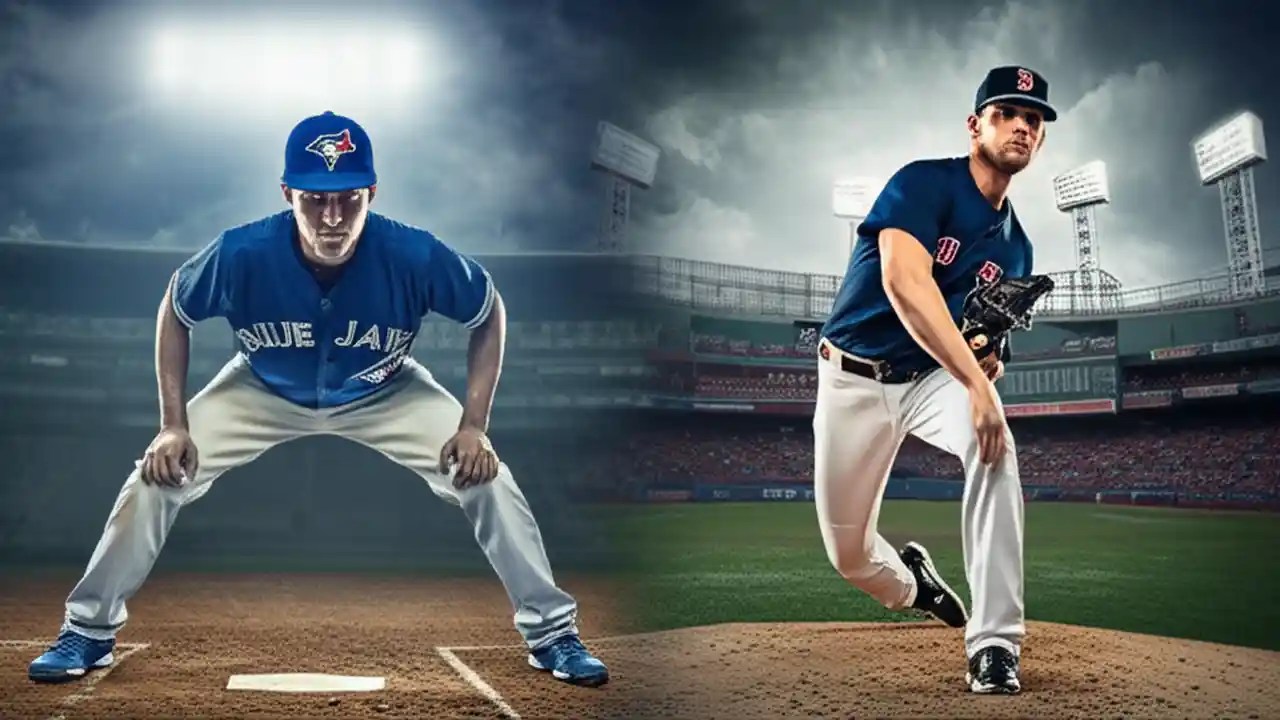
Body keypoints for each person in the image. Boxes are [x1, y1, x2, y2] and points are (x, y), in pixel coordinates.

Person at [28, 111, 609, 688]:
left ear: (372, 193)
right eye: (314, 199)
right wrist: (172, 424)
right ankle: (89, 630)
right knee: (155, 478)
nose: (332, 217)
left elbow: (488, 311)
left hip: (385, 387)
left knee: (487, 478)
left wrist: (474, 422)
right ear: (287, 193)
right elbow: (175, 311)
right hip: (261, 387)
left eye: (349, 198)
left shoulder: (413, 254)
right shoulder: (242, 253)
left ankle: (553, 634)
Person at [812, 66, 1056, 695]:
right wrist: (978, 383)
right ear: (977, 124)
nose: (1023, 126)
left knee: (994, 445)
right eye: (1008, 113)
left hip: (930, 380)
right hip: (853, 378)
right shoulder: (924, 183)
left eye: (1034, 119)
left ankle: (996, 642)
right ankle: (915, 584)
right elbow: (904, 283)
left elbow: (984, 346)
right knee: (850, 556)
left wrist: (988, 364)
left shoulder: (1019, 249)